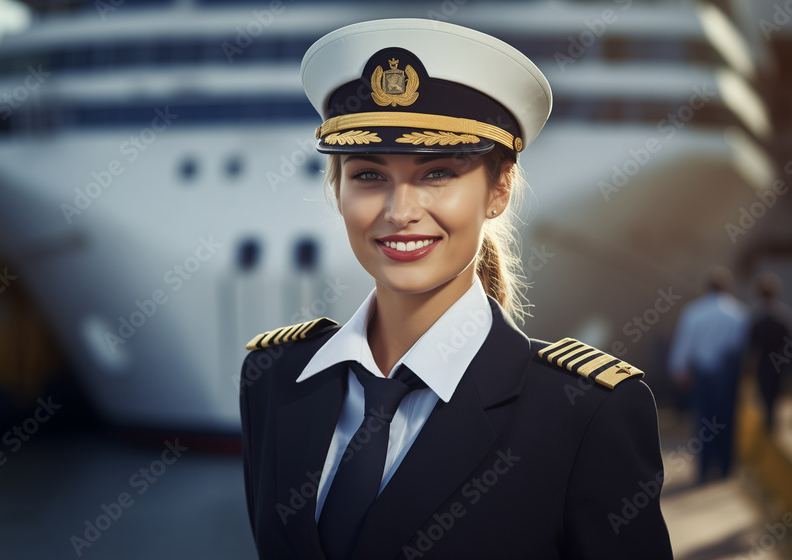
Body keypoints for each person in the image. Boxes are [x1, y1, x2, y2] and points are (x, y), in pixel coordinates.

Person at [239, 18, 673, 559]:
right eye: (369, 175)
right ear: (338, 188)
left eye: (438, 173)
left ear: (500, 189)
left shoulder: (583, 415)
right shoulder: (274, 378)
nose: (400, 212)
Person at [668, 266, 749, 483]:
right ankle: (725, 468)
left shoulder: (695, 311)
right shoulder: (738, 313)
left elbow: (684, 344)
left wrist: (679, 369)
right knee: (726, 421)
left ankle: (704, 469)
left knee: (703, 422)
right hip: (728, 375)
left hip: (703, 374)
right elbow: (741, 347)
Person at [747, 272, 792, 432]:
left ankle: (769, 427)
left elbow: (749, 345)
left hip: (763, 364)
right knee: (773, 399)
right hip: (778, 364)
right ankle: (771, 426)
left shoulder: (755, 317)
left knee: (766, 397)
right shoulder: (782, 315)